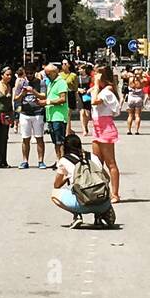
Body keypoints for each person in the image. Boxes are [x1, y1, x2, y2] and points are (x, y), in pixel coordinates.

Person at [50, 134, 116, 229]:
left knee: (54, 194)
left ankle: (77, 215)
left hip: (84, 204)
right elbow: (107, 178)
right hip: (103, 202)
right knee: (96, 190)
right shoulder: (93, 157)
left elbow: (56, 185)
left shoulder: (64, 160)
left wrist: (67, 177)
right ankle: (99, 215)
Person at [89, 64, 122, 202]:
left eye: (97, 75)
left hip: (106, 128)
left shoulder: (107, 92)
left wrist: (96, 85)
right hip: (97, 128)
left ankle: (115, 194)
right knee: (96, 163)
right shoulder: (102, 90)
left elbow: (94, 101)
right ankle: (102, 190)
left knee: (110, 163)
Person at [14, 65, 46, 168]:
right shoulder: (21, 83)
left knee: (39, 138)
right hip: (24, 113)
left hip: (37, 112)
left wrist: (33, 91)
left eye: (31, 73)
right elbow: (15, 98)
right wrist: (22, 94)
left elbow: (44, 96)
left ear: (35, 72)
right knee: (25, 138)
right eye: (27, 73)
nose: (29, 75)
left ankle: (41, 161)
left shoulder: (40, 82)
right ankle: (25, 161)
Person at [42, 62, 70, 160]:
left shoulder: (61, 82)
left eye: (49, 74)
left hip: (59, 116)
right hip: (51, 116)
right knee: (55, 141)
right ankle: (58, 160)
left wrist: (48, 102)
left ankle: (63, 160)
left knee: (60, 141)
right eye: (46, 74)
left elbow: (63, 99)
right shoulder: (50, 83)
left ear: (55, 72)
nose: (47, 76)